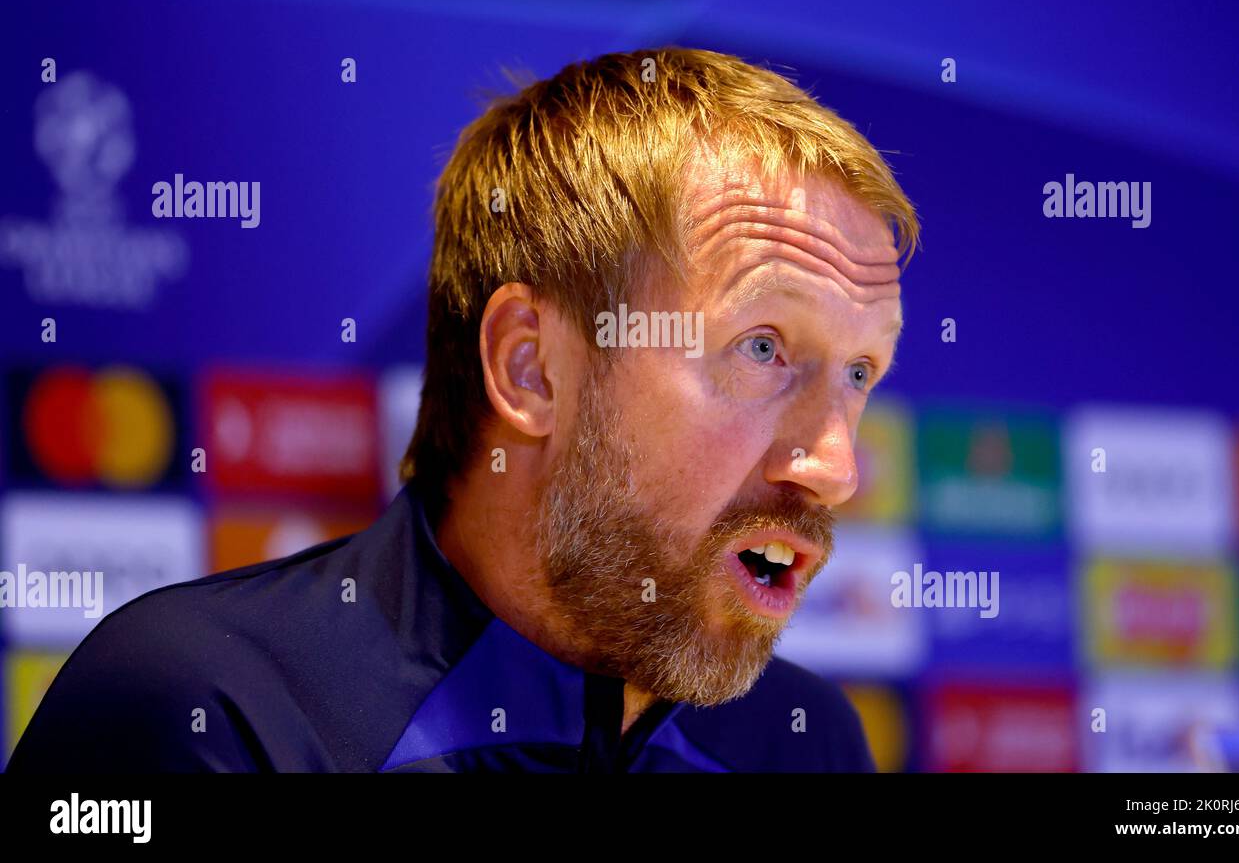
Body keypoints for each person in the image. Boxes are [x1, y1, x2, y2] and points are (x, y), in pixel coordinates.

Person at [8, 47, 918, 772]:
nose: (837, 466)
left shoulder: (804, 740)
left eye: (860, 372)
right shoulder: (203, 710)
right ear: (531, 369)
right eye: (762, 347)